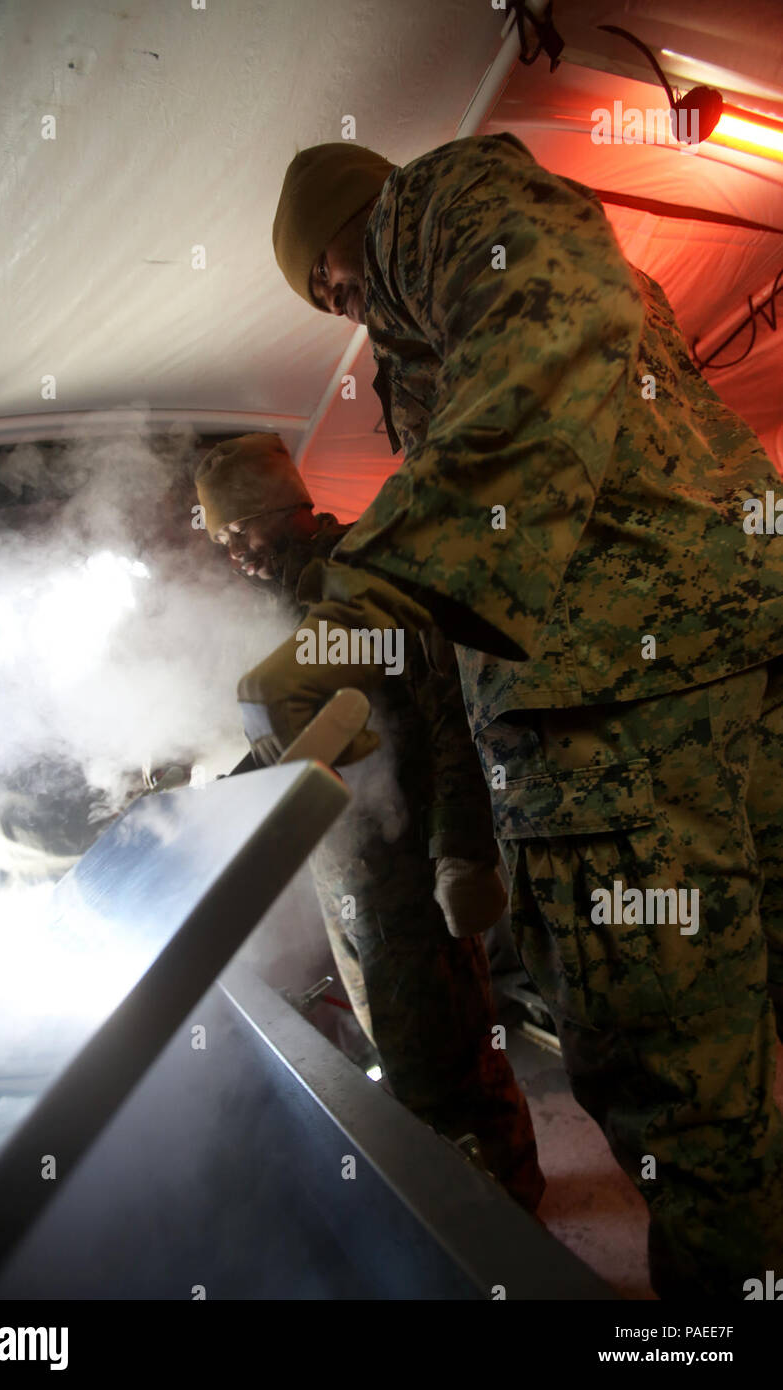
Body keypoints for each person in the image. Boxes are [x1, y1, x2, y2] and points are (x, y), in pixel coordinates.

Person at [238, 133, 783, 1298]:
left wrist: (359, 604)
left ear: (353, 223)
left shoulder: (436, 204)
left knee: (681, 1106)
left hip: (610, 724)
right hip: (711, 677)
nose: (337, 302)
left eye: (325, 277)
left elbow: (547, 333)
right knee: (725, 1076)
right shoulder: (472, 282)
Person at [193, 431, 544, 1211]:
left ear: (270, 515)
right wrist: (219, 800)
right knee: (400, 1037)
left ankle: (507, 1217)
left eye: (234, 534)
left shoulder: (363, 573)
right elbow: (289, 731)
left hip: (408, 861)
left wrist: (460, 848)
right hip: (348, 862)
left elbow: (449, 711)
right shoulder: (287, 599)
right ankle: (492, 1195)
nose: (231, 555)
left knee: (450, 1054)